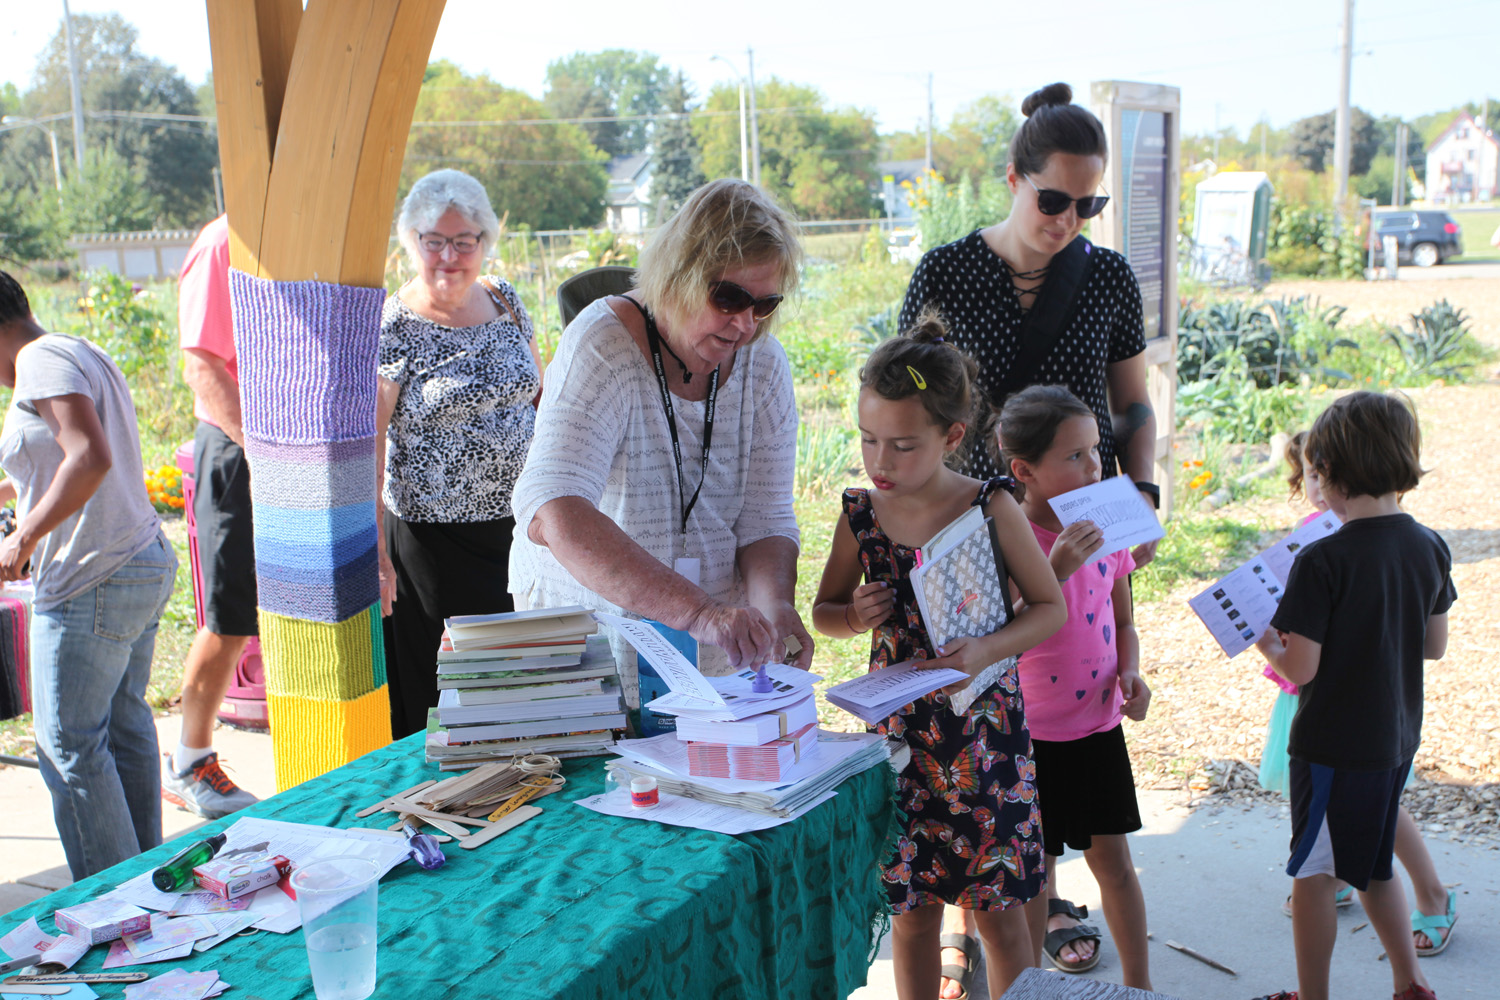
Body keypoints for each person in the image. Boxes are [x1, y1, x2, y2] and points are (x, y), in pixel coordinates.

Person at [899, 81, 1160, 987]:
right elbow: (912, 398)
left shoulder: (1108, 275)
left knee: (1064, 716)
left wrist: (1144, 496)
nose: (1068, 218)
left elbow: (1131, 406)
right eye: (1053, 199)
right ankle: (987, 906)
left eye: (1088, 205)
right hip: (970, 521)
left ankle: (1040, 903)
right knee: (983, 720)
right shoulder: (944, 272)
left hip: (1086, 517)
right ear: (1012, 179)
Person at [811, 317, 1067, 997]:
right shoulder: (860, 515)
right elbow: (824, 613)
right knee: (912, 917)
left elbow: (1049, 607)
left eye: (902, 445)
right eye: (868, 441)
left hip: (983, 740)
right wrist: (850, 615)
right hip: (899, 742)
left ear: (952, 437)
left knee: (1002, 922)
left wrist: (987, 648)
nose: (880, 462)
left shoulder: (989, 507)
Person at [509, 178, 813, 701]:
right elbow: (556, 512)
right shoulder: (603, 345)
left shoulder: (763, 366)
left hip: (710, 652)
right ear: (679, 276)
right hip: (589, 642)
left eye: (764, 306)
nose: (745, 324)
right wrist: (697, 611)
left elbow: (765, 518)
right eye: (729, 297)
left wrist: (771, 607)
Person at [1255, 392, 1454, 1000]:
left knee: (1313, 879)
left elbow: (1302, 666)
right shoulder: (1429, 545)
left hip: (1331, 747)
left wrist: (1264, 637)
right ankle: (1408, 981)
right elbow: (1433, 645)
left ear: (1331, 472)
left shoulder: (1321, 560)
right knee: (1370, 866)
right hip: (1394, 738)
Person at [0, 270, 177, 879]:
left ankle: (115, 906)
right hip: (135, 563)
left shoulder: (40, 360)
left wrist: (21, 539)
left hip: (91, 580)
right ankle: (150, 885)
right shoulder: (76, 349)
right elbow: (61, 462)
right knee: (122, 726)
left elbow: (90, 457)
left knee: (68, 745)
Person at [994, 385, 1153, 989]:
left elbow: (1125, 619)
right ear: (1024, 471)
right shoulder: (1008, 537)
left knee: (1114, 866)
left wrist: (1131, 673)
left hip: (1097, 728)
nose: (1095, 468)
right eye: (1076, 456)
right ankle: (1033, 983)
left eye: (1096, 452)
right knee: (1035, 878)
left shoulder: (1103, 528)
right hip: (1028, 740)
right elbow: (996, 635)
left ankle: (1140, 985)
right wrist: (1054, 568)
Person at [376, 169, 545, 738]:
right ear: (411, 243)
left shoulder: (504, 296)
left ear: (484, 242)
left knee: (519, 689)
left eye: (463, 241)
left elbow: (537, 391)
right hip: (435, 546)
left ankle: (520, 795)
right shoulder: (393, 323)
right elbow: (371, 441)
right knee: (449, 700)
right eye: (434, 241)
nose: (449, 256)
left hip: (518, 531)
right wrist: (375, 548)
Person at [168, 214, 259, 819]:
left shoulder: (296, 229)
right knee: (229, 613)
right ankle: (190, 761)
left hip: (294, 446)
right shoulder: (224, 239)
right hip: (238, 443)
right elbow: (202, 360)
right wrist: (257, 444)